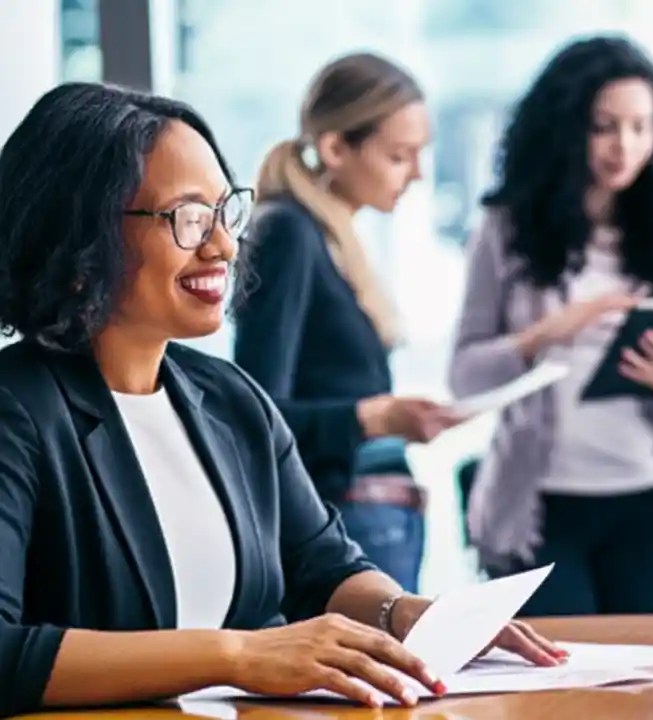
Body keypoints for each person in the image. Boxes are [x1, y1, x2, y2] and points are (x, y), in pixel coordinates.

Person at [0, 82, 562, 717]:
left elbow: (322, 566)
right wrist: (236, 655)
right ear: (78, 235)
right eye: (188, 217)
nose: (224, 246)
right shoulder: (15, 411)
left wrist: (408, 615)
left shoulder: (231, 401)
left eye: (224, 211)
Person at [449, 35, 653, 616]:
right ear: (567, 128)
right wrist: (545, 333)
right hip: (539, 508)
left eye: (641, 127)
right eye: (605, 126)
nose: (625, 146)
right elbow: (464, 376)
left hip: (643, 502)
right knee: (558, 691)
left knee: (639, 693)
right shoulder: (505, 228)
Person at [234, 53, 456, 592]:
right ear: (336, 148)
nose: (418, 174)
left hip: (373, 515)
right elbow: (256, 412)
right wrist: (372, 417)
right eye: (400, 155)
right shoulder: (290, 233)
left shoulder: (335, 239)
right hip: (341, 524)